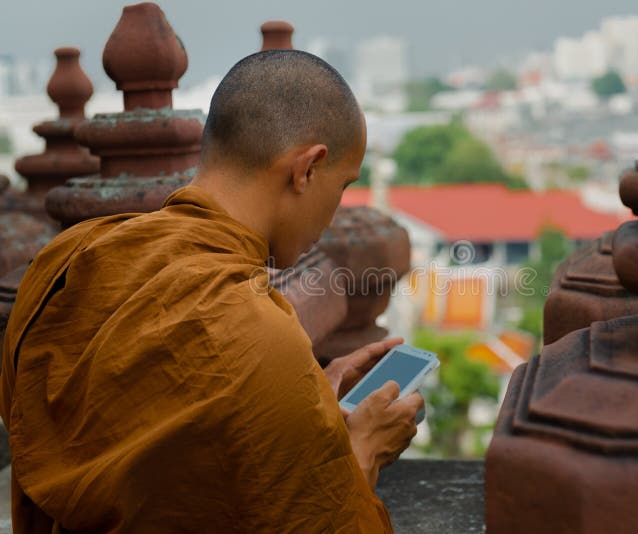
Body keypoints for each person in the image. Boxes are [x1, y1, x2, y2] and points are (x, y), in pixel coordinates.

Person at [0, 50, 423, 533]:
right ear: (308, 168)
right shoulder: (253, 330)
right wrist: (363, 453)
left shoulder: (65, 258)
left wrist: (311, 405)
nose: (334, 212)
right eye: (343, 185)